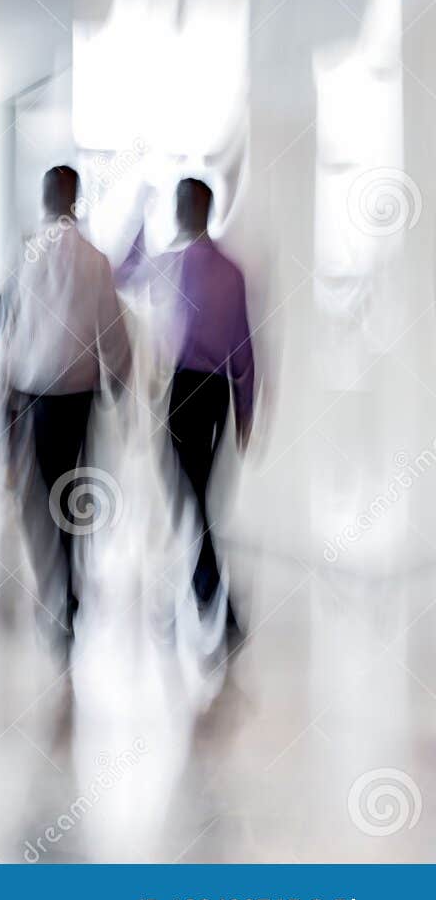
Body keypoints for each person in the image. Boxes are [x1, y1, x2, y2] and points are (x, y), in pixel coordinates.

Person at [120, 177, 255, 648]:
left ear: (188, 211)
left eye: (180, 203)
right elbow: (244, 348)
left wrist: (140, 217)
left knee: (190, 495)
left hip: (186, 390)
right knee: (193, 493)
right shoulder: (231, 271)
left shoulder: (171, 263)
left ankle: (218, 598)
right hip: (217, 392)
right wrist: (246, 408)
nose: (178, 212)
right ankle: (204, 591)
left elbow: (124, 271)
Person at [3, 165, 132, 651]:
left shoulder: (27, 257)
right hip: (80, 392)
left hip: (35, 391)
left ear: (44, 200)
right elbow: (111, 328)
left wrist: (4, 392)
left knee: (39, 494)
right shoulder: (95, 260)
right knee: (72, 488)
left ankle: (54, 582)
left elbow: (16, 328)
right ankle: (69, 582)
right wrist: (119, 378)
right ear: (74, 199)